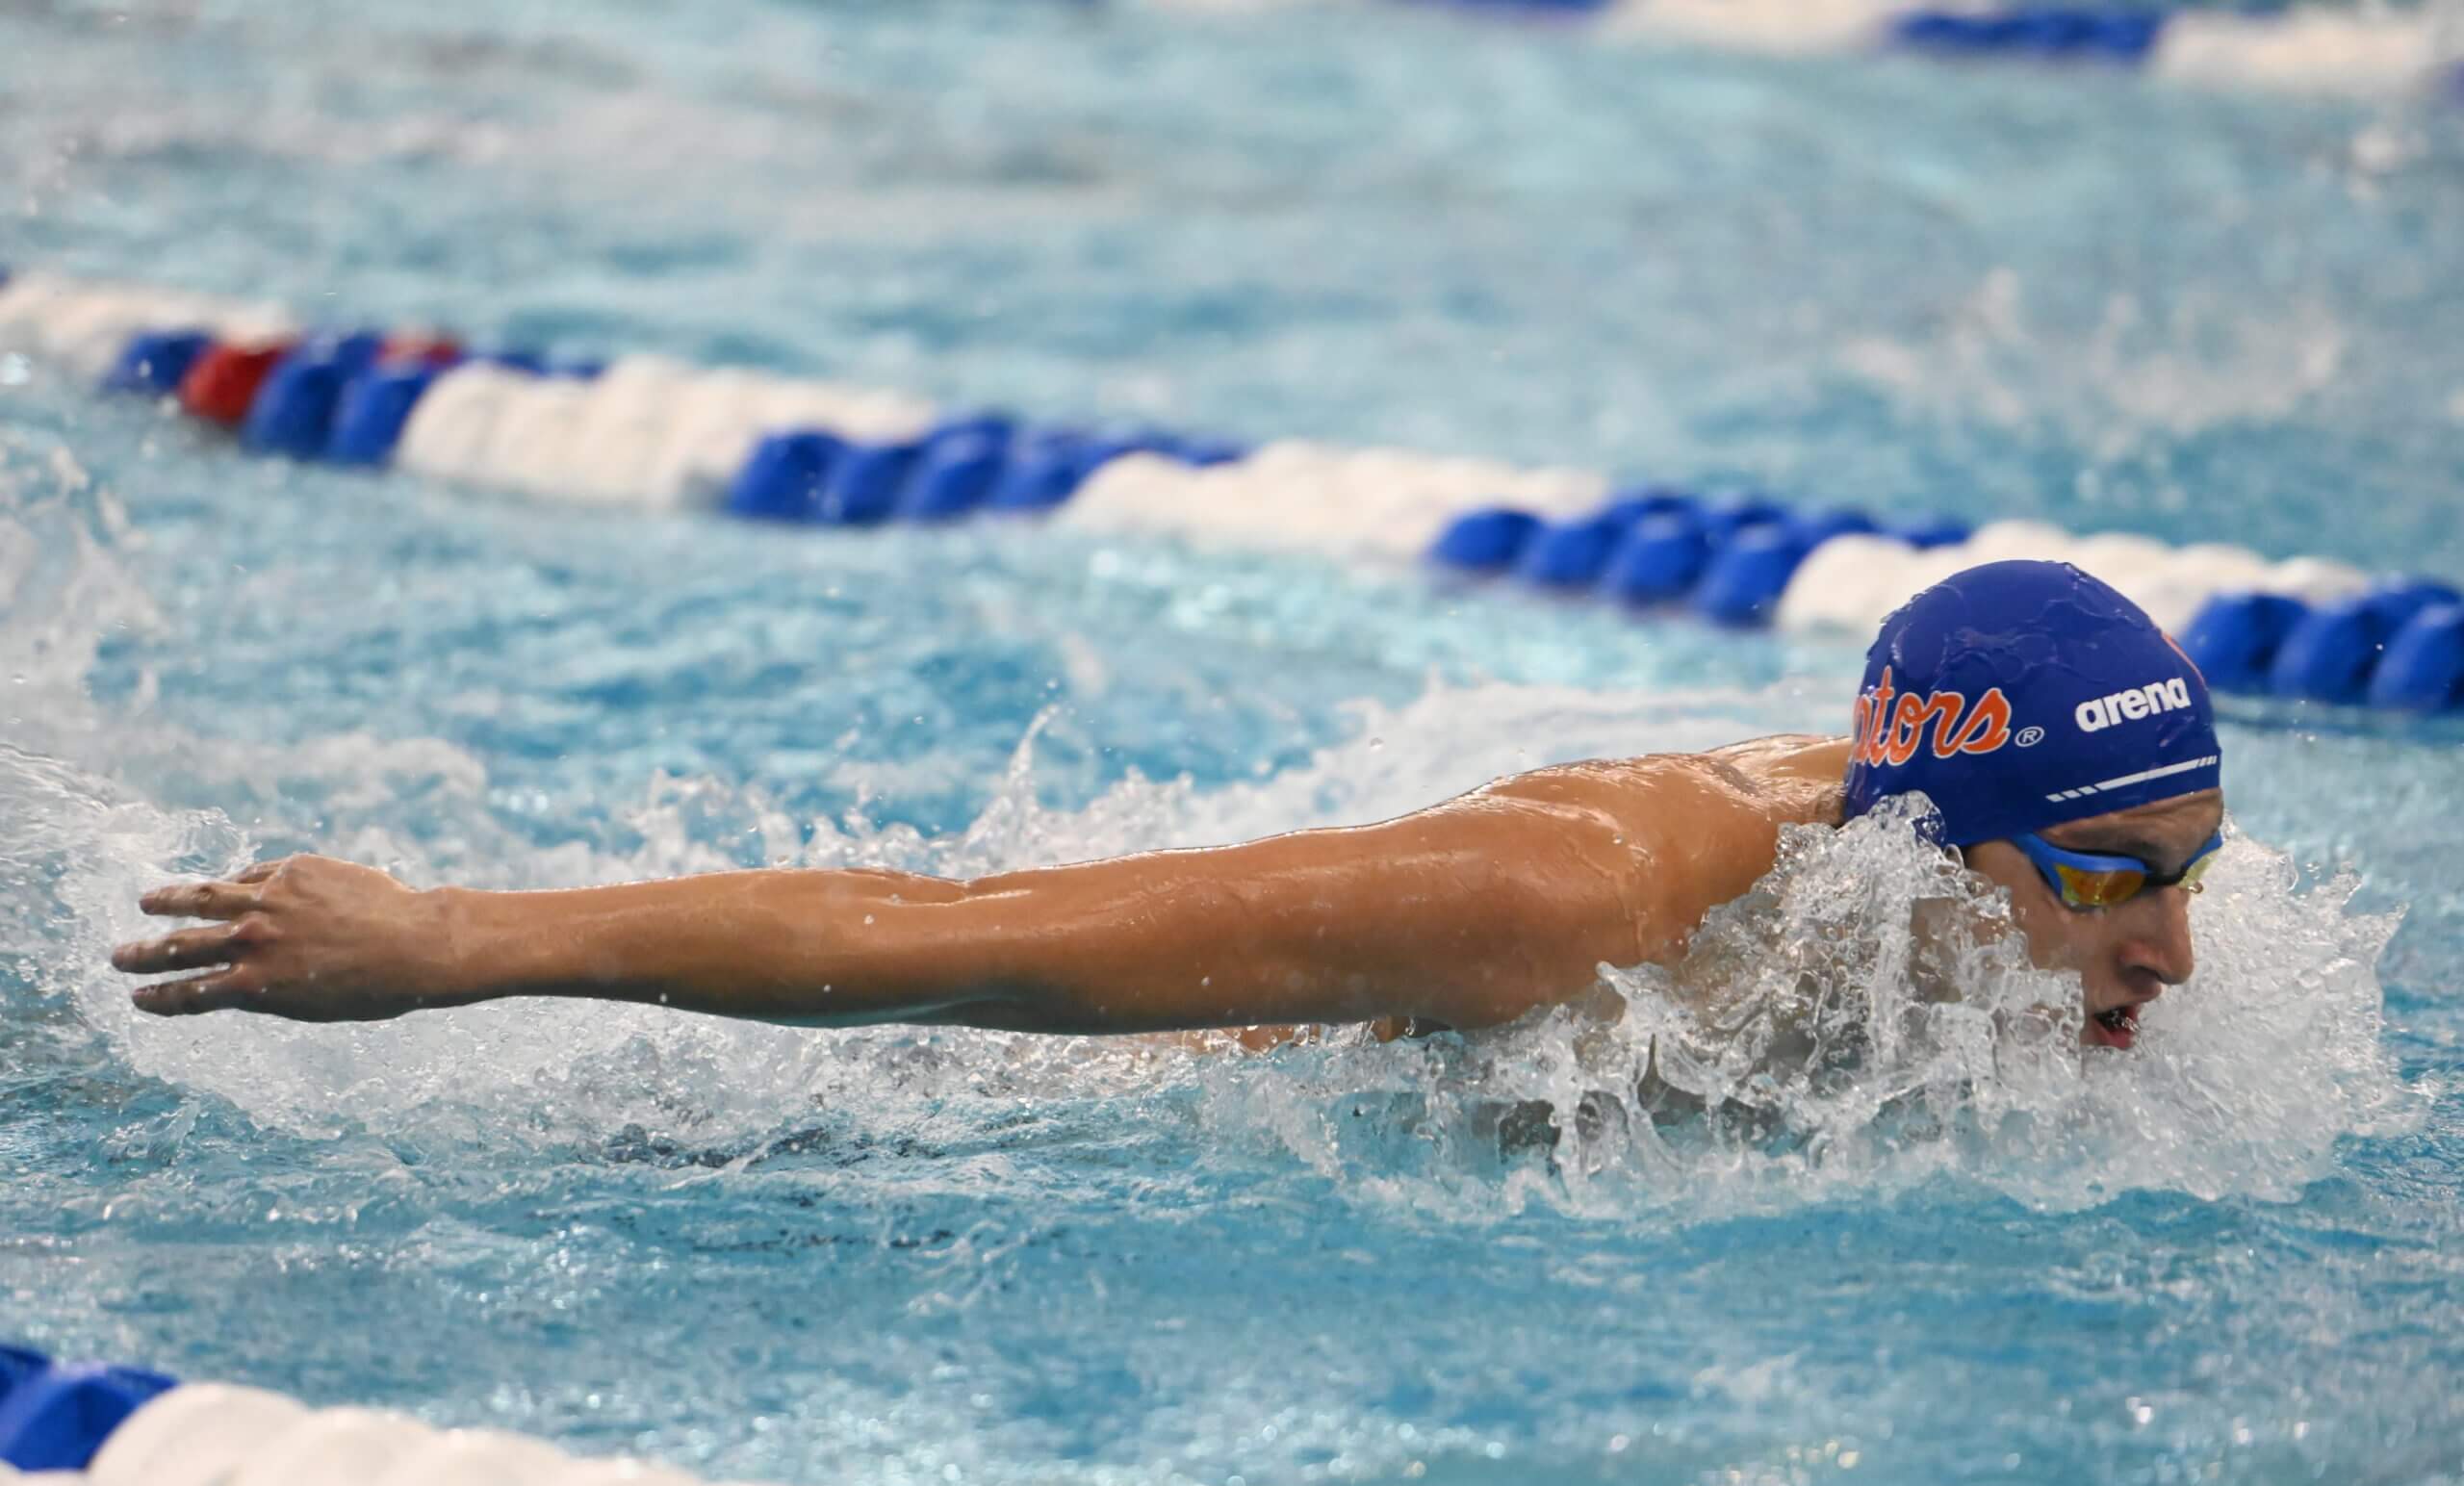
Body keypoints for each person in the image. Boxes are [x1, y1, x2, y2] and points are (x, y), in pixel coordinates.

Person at [112, 561, 2224, 1052]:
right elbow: (958, 930)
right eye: (2116, 887)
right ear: (1926, 852)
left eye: (2187, 874)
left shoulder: (2005, 853)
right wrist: (462, 940)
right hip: (1124, 1086)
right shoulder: (1551, 903)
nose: (2175, 950)